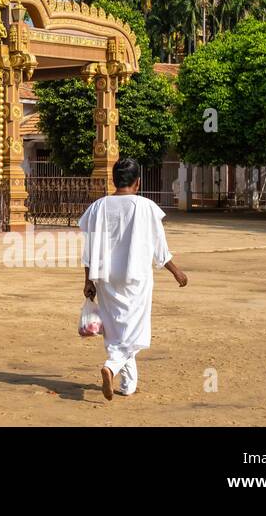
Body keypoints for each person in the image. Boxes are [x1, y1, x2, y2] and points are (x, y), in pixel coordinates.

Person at [79, 157, 188, 400]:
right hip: (136, 276)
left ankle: (128, 385)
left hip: (105, 276)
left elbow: (88, 250)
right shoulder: (146, 207)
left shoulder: (98, 207)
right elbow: (159, 248)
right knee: (134, 332)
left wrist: (88, 281)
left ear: (113, 180)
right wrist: (175, 270)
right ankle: (112, 366)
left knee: (117, 329)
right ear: (138, 182)